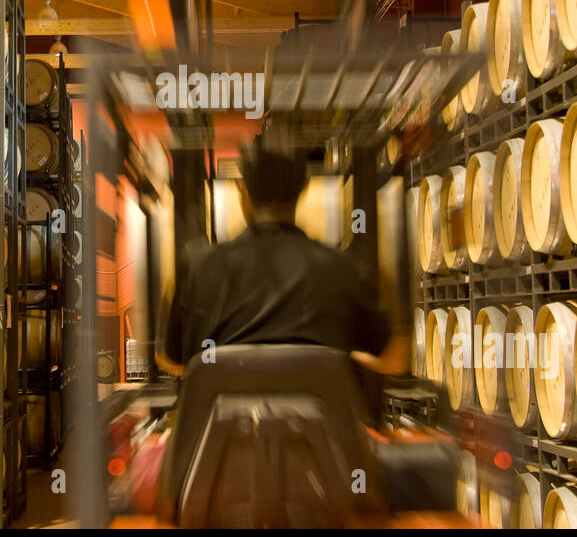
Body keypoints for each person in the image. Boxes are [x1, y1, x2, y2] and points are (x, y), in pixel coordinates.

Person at [156, 145, 403, 377]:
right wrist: (348, 363)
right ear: (305, 185)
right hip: (326, 422)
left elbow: (173, 361)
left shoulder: (198, 266)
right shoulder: (343, 267)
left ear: (242, 188)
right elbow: (395, 359)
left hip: (218, 422)